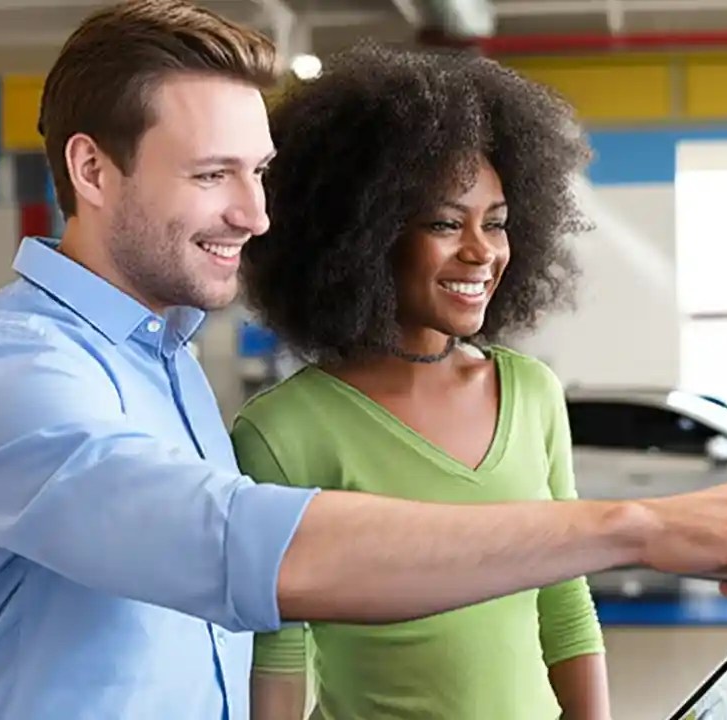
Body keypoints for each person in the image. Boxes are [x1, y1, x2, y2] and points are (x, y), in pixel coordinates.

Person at [0, 1, 727, 718]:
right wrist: (635, 526)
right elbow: (249, 554)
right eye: (213, 175)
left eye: (258, 174)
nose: (254, 215)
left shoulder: (161, 365)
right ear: (90, 169)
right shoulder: (6, 370)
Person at [232, 43, 607, 719]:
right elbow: (278, 650)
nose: (481, 252)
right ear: (362, 235)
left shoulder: (531, 393)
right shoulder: (283, 432)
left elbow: (565, 606)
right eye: (444, 223)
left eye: (495, 223)